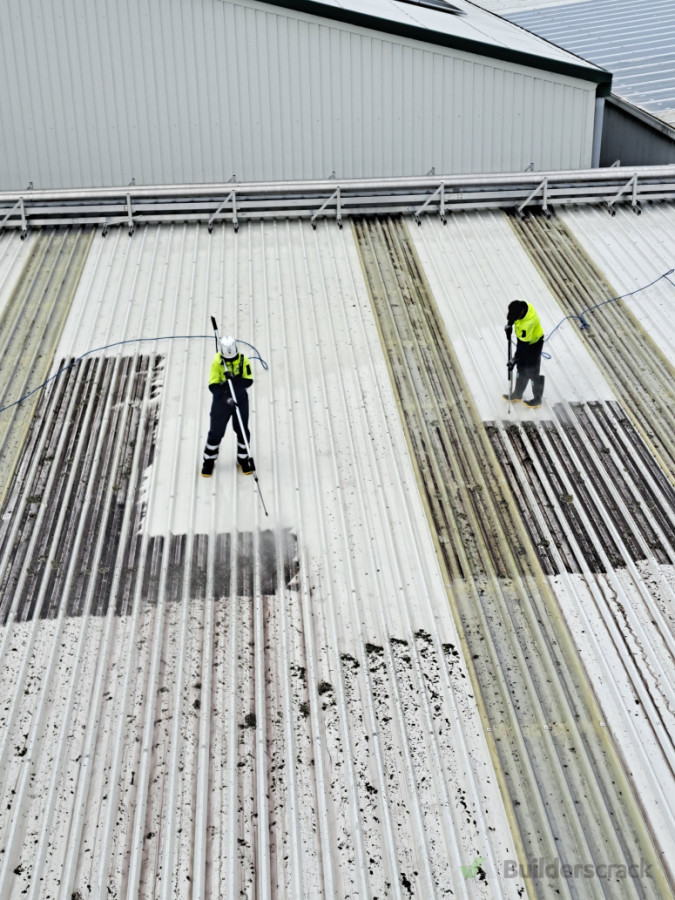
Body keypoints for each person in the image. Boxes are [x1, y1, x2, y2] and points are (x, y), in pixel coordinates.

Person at [201, 335, 255, 477]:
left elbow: (249, 381)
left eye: (232, 358)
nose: (230, 361)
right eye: (228, 359)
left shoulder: (244, 360)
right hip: (222, 402)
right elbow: (213, 385)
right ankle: (209, 460)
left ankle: (243, 459)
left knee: (242, 430)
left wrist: (236, 380)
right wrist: (226, 398)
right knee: (216, 432)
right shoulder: (217, 362)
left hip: (241, 400)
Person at [503, 300, 545, 408]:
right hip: (524, 341)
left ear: (521, 313)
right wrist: (509, 325)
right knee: (521, 367)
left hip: (533, 344)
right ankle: (517, 394)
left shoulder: (527, 324)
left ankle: (537, 399)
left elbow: (523, 346)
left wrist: (514, 359)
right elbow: (512, 317)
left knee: (532, 369)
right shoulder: (522, 307)